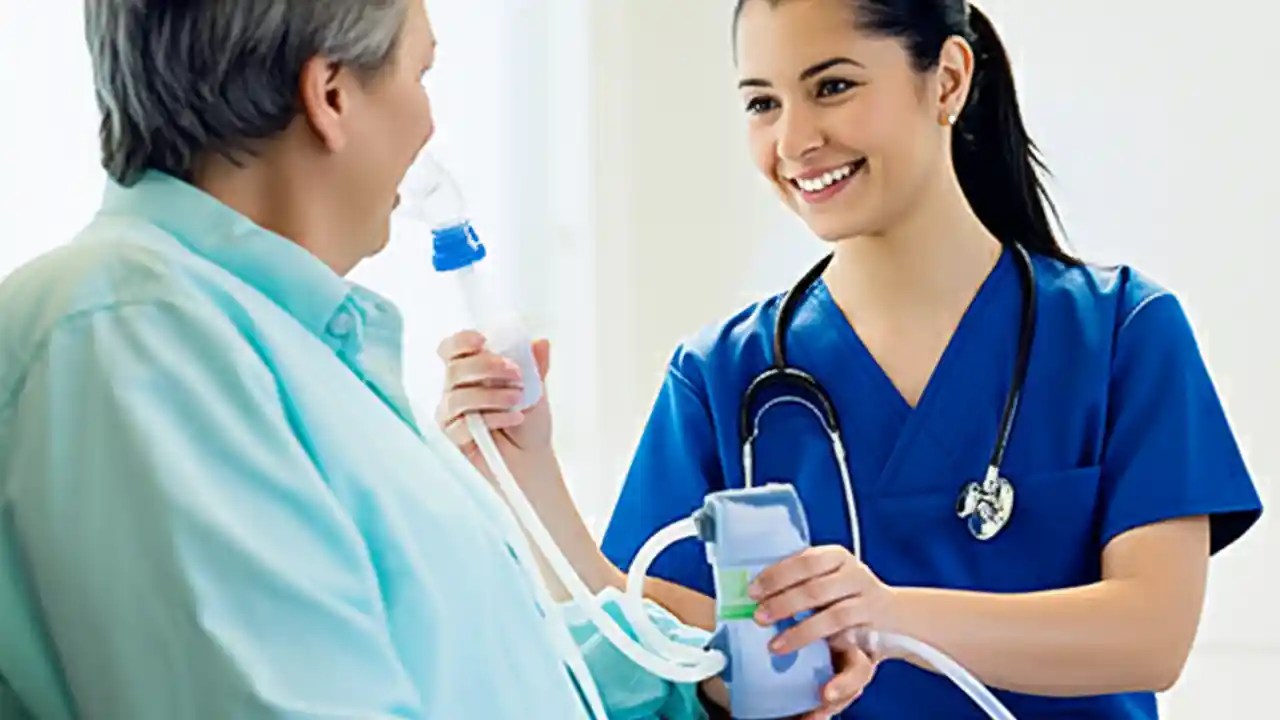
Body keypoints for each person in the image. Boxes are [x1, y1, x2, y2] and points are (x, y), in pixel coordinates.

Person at [437, 1, 1264, 718]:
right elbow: (660, 643)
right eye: (762, 103)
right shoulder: (725, 377)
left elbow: (1150, 636)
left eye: (832, 86)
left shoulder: (1122, 332)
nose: (795, 139)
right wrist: (526, 478)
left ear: (946, 80)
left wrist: (885, 615)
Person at [0, 1, 804, 718]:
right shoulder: (134, 334)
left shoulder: (297, 358)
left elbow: (479, 672)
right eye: (421, 73)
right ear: (332, 96)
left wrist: (692, 677)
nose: (427, 126)